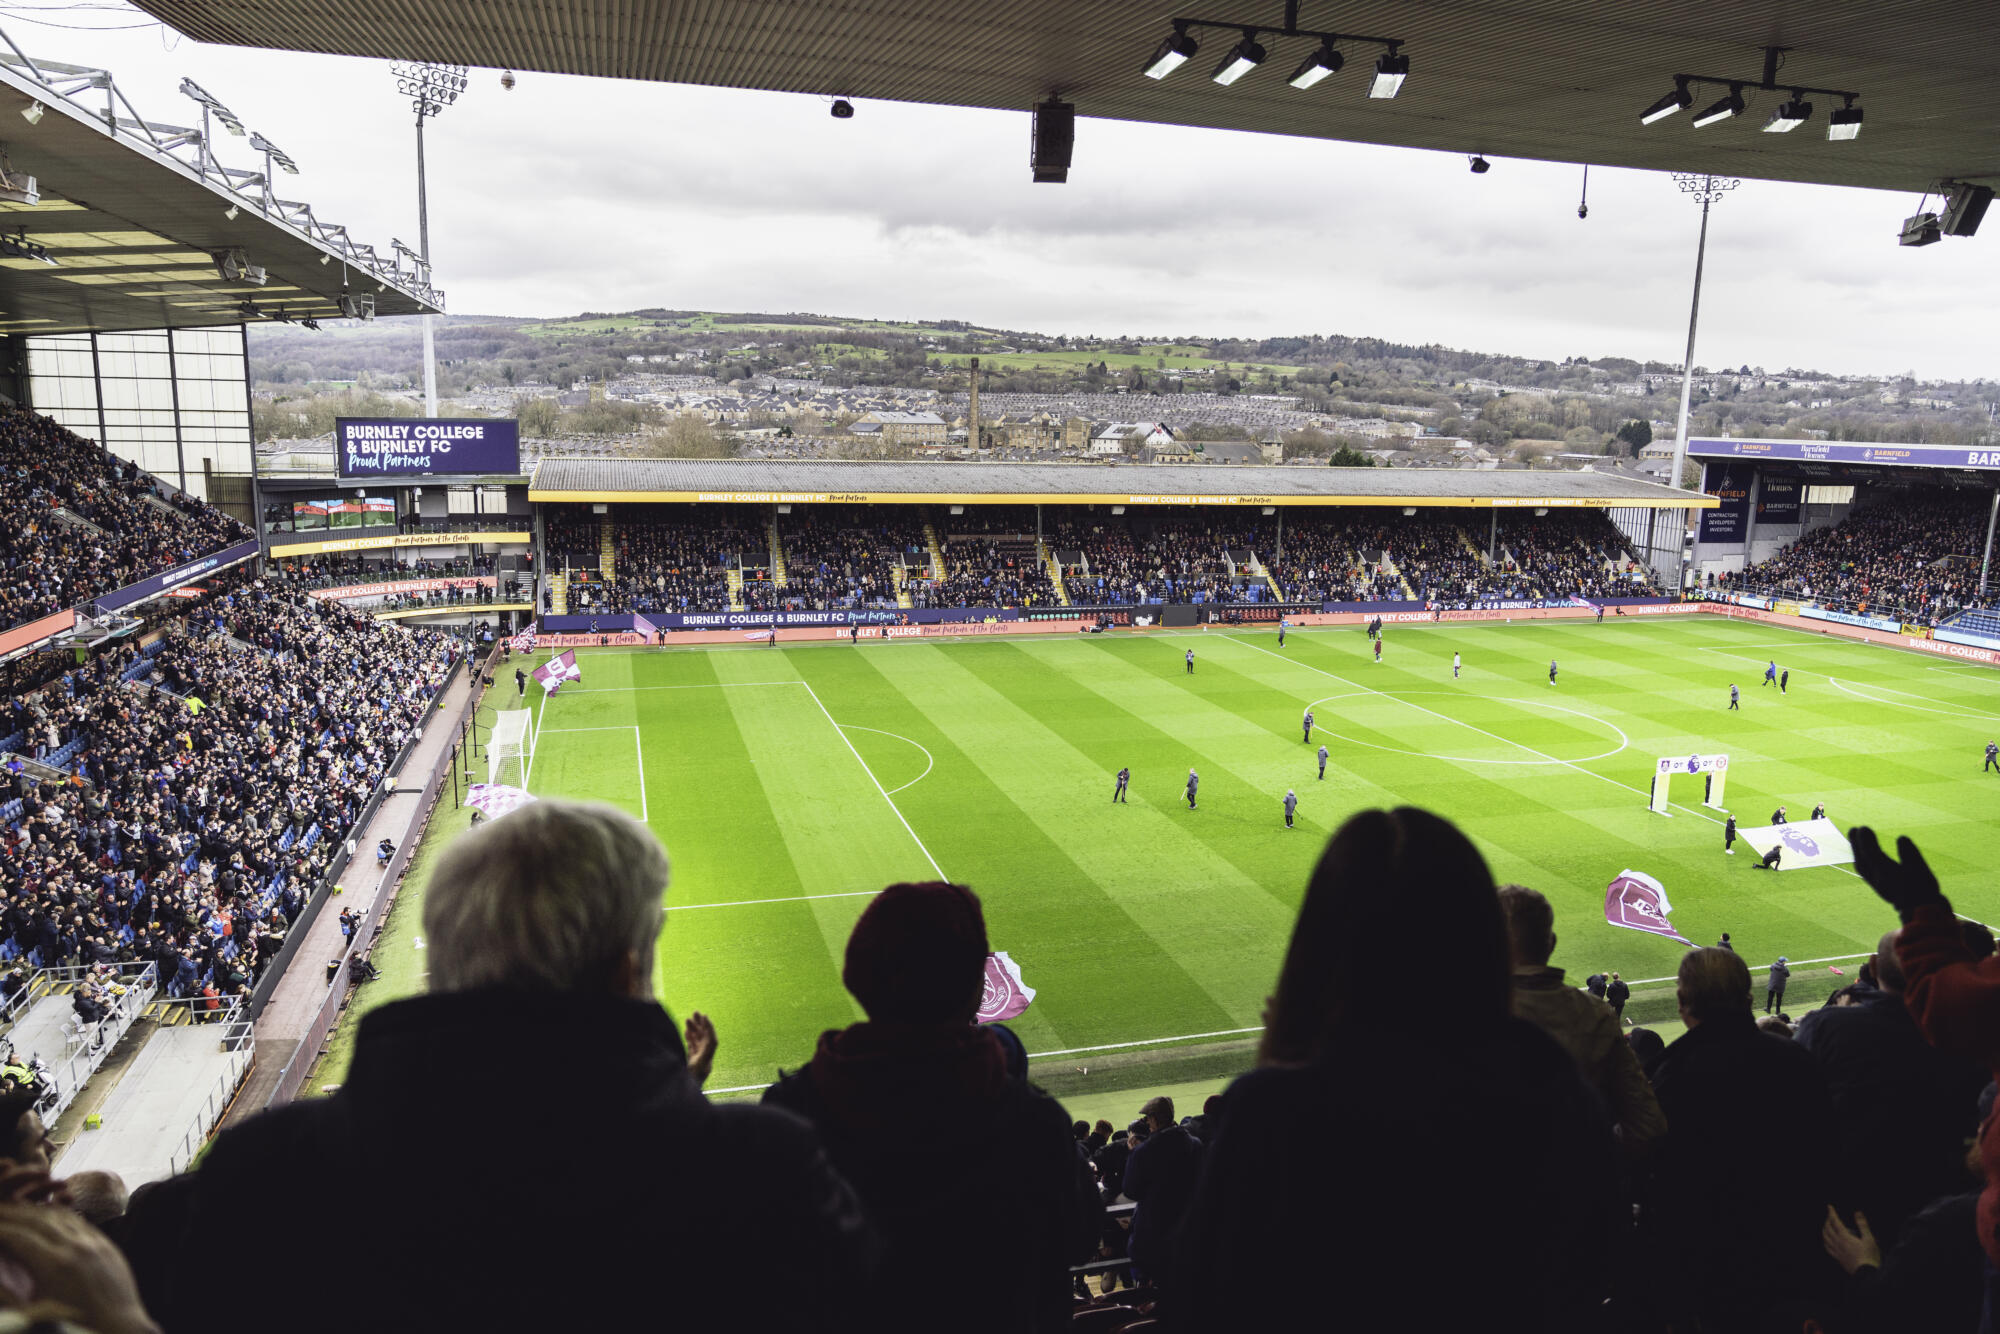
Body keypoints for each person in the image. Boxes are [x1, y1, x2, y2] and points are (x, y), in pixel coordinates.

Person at [118, 799, 875, 1333]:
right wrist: (683, 1109)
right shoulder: (763, 1170)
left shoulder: (264, 1174)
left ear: (445, 954)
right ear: (628, 968)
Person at [1176, 808, 1618, 1331]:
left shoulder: (1277, 1109)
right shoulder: (1554, 1089)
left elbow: (1205, 1301)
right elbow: (1589, 1274)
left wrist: (1276, 1064)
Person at [763, 882, 1099, 1334]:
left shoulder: (787, 1117)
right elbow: (1080, 1239)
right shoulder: (1034, 1125)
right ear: (974, 989)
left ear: (858, 977)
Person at [1641, 947, 1835, 1327]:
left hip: (1707, 1270)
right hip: (1792, 1255)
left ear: (1683, 1002)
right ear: (1748, 999)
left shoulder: (1672, 1077)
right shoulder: (1798, 1061)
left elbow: (1661, 1179)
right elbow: (1825, 1152)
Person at [1795, 922, 1985, 1251]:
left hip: (1847, 1212)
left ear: (1872, 967)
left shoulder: (1828, 1027)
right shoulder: (1976, 1036)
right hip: (1946, 1207)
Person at [1497, 885, 1664, 1158]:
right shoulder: (1595, 1015)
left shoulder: (1455, 1017)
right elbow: (1648, 1124)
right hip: (1581, 1190)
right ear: (1550, 943)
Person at [1124, 1095, 1202, 1289]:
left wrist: (1134, 1154)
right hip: (1187, 1231)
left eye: (1148, 1118)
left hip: (1153, 1235)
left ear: (1155, 1119)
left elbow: (1131, 1190)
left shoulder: (1144, 1152)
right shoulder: (1195, 1144)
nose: (1147, 1122)